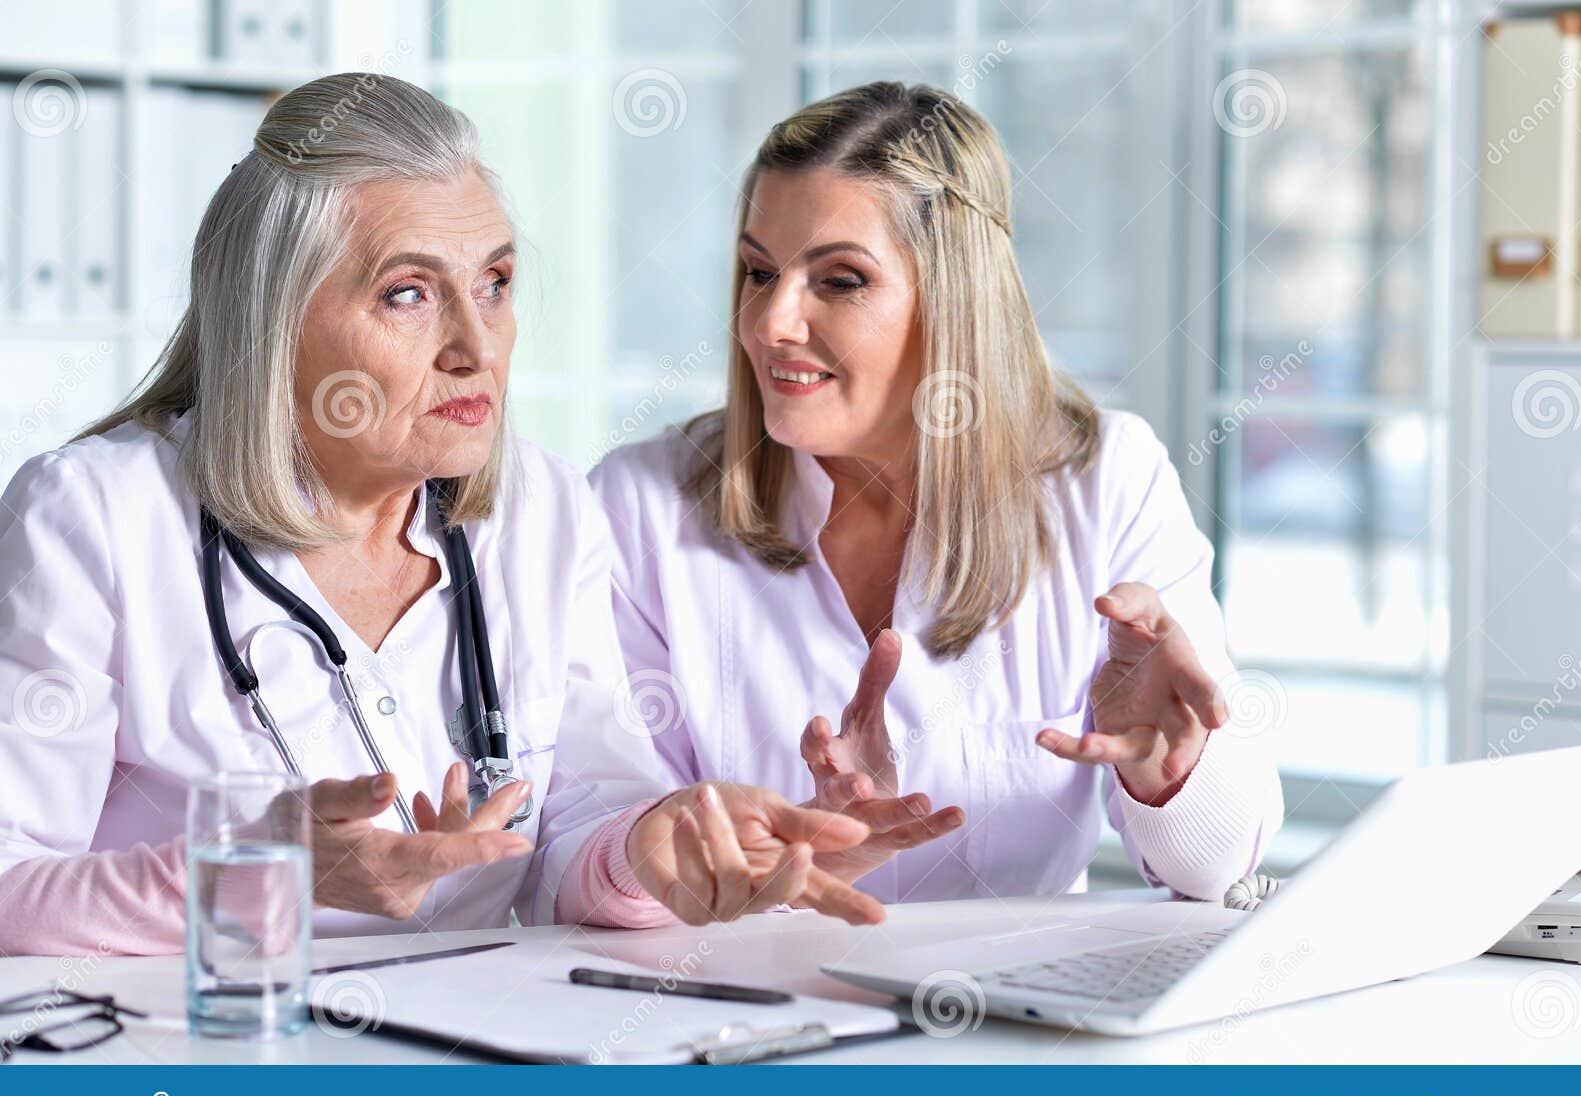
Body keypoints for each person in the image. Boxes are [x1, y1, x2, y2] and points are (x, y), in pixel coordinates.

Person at [0, 74, 885, 957]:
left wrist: (652, 852)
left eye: (494, 282)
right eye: (408, 293)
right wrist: (262, 873)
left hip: (466, 1035)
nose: (477, 345)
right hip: (211, 1039)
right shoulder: (92, 519)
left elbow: (581, 831)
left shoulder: (542, 513)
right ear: (270, 321)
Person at [591, 82, 1283, 904]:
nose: (770, 323)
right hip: (732, 983)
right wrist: (762, 865)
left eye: (839, 280)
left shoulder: (1106, 481)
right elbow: (591, 859)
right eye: (759, 271)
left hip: (1014, 988)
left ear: (957, 301)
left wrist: (1172, 770)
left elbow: (1217, 871)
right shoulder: (639, 507)